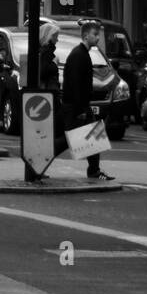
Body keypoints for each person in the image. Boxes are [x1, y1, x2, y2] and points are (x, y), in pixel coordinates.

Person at [64, 18, 114, 181]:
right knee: (75, 139)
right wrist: (81, 109)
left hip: (78, 106)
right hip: (76, 107)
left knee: (93, 138)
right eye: (95, 34)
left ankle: (94, 170)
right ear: (85, 36)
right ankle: (37, 162)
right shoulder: (79, 55)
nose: (98, 37)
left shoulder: (82, 54)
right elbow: (77, 84)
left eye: (98, 34)